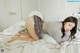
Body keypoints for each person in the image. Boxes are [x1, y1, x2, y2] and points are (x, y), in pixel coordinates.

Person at [5, 15, 78, 44]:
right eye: (69, 25)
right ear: (65, 22)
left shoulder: (60, 23)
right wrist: (67, 34)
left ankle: (20, 34)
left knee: (34, 35)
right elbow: (59, 41)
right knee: (36, 39)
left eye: (72, 27)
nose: (70, 28)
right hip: (33, 23)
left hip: (35, 19)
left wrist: (67, 31)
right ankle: (17, 37)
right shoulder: (57, 29)